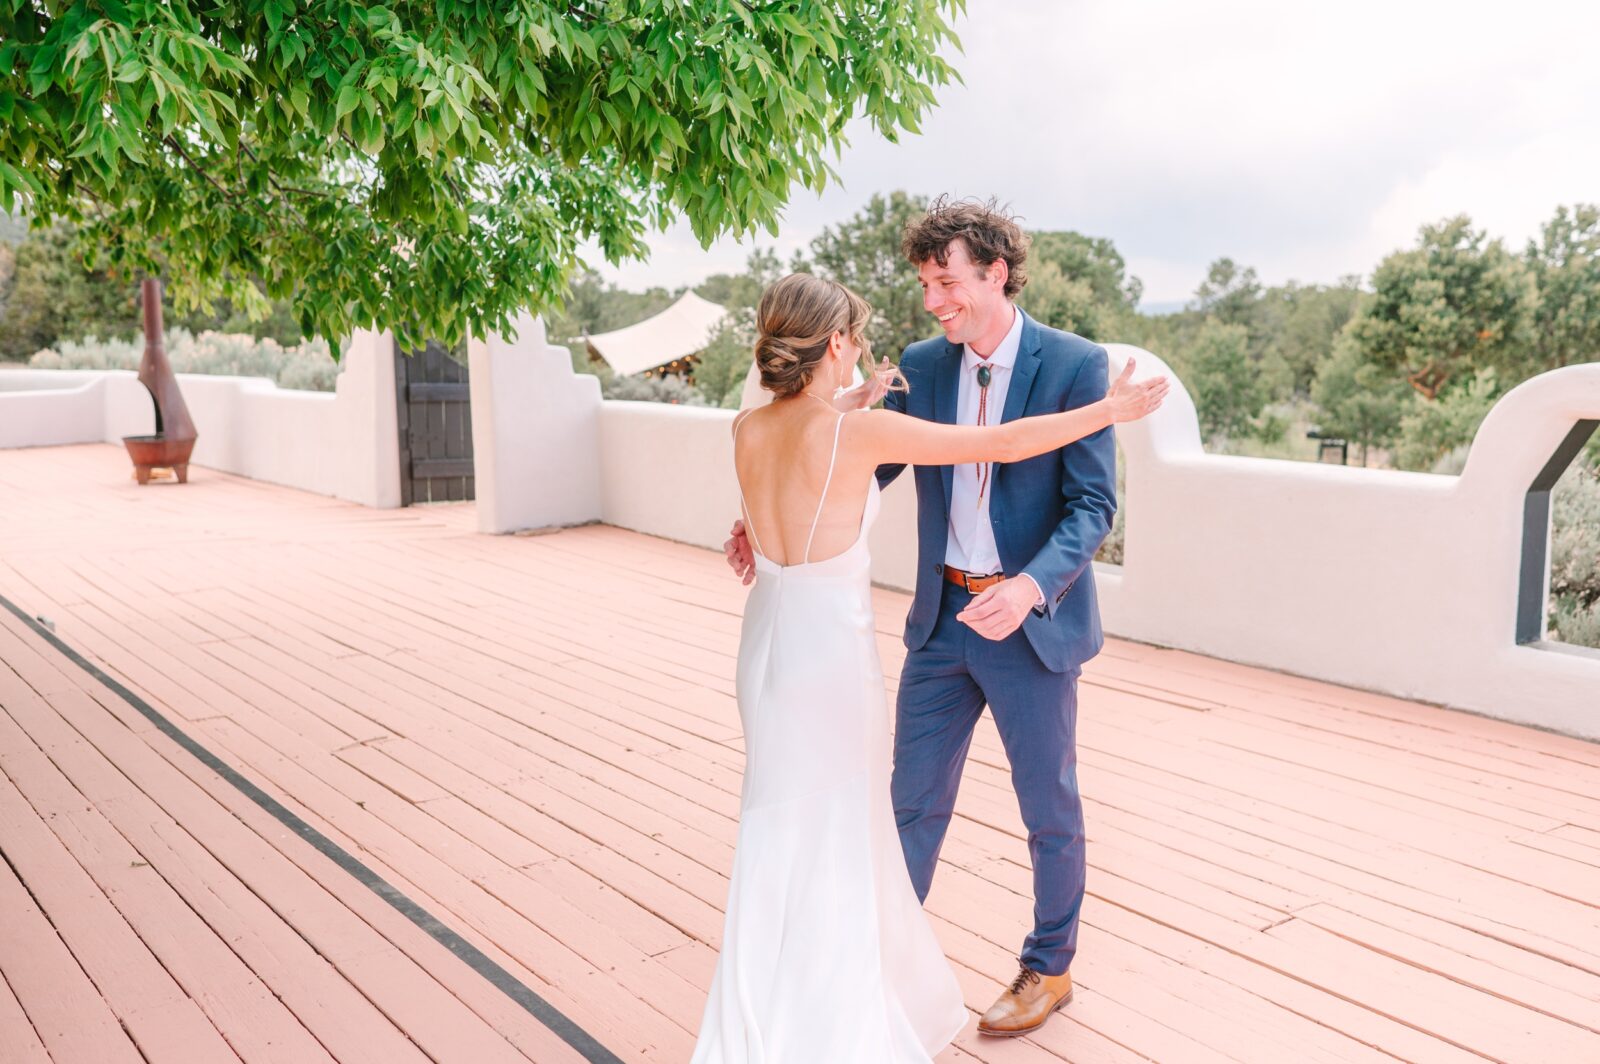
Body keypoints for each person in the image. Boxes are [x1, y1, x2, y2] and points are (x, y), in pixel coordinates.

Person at [694, 266, 1166, 1060]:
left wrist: (845, 408)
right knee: (862, 813)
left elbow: (805, 464)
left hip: (770, 642)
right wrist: (1110, 412)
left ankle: (798, 979)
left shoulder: (748, 430)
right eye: (859, 338)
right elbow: (1006, 442)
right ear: (835, 342)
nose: (927, 302)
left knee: (785, 817)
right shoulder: (867, 422)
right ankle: (844, 988)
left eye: (944, 279)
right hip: (845, 652)